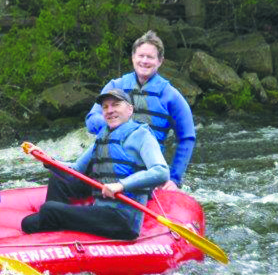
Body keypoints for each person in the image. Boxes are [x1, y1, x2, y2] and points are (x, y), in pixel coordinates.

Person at [23, 88, 169, 240]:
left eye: (115, 105)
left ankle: (58, 228)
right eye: (105, 107)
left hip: (122, 220)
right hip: (100, 210)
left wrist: (121, 185)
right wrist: (46, 159)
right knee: (28, 223)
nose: (109, 110)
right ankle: (59, 232)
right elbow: (76, 170)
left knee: (49, 210)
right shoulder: (104, 136)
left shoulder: (142, 135)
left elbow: (161, 172)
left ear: (130, 109)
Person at [85, 30, 194, 189]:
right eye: (140, 56)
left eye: (150, 57)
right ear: (133, 58)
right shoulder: (116, 86)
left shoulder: (170, 96)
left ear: (160, 61)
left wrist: (175, 178)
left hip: (145, 171)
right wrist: (118, 126)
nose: (144, 61)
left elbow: (187, 137)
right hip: (108, 166)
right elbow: (91, 119)